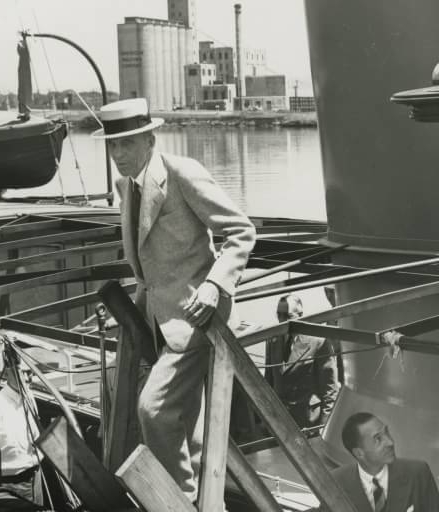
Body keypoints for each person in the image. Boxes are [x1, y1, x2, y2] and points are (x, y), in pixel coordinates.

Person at [92, 98, 256, 502]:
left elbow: (241, 231)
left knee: (155, 409)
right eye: (112, 146)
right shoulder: (124, 187)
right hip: (155, 318)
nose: (118, 155)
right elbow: (147, 264)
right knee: (188, 423)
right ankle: (204, 500)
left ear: (150, 139)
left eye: (126, 144)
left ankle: (176, 500)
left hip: (195, 318)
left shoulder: (182, 173)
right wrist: (129, 309)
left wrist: (215, 284)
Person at [326, 412, 439, 512]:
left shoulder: (418, 473)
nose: (390, 442)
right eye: (378, 439)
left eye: (387, 432)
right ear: (359, 453)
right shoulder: (336, 482)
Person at [0, 348, 44, 505]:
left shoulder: (30, 398)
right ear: (6, 373)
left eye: (30, 373)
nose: (28, 378)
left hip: (35, 481)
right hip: (10, 487)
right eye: (23, 373)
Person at [265, 293, 340, 428]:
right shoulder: (273, 339)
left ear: (300, 315)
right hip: (281, 422)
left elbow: (330, 391)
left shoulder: (318, 342)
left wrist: (323, 427)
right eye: (279, 315)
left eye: (287, 316)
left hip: (308, 421)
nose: (282, 321)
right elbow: (269, 382)